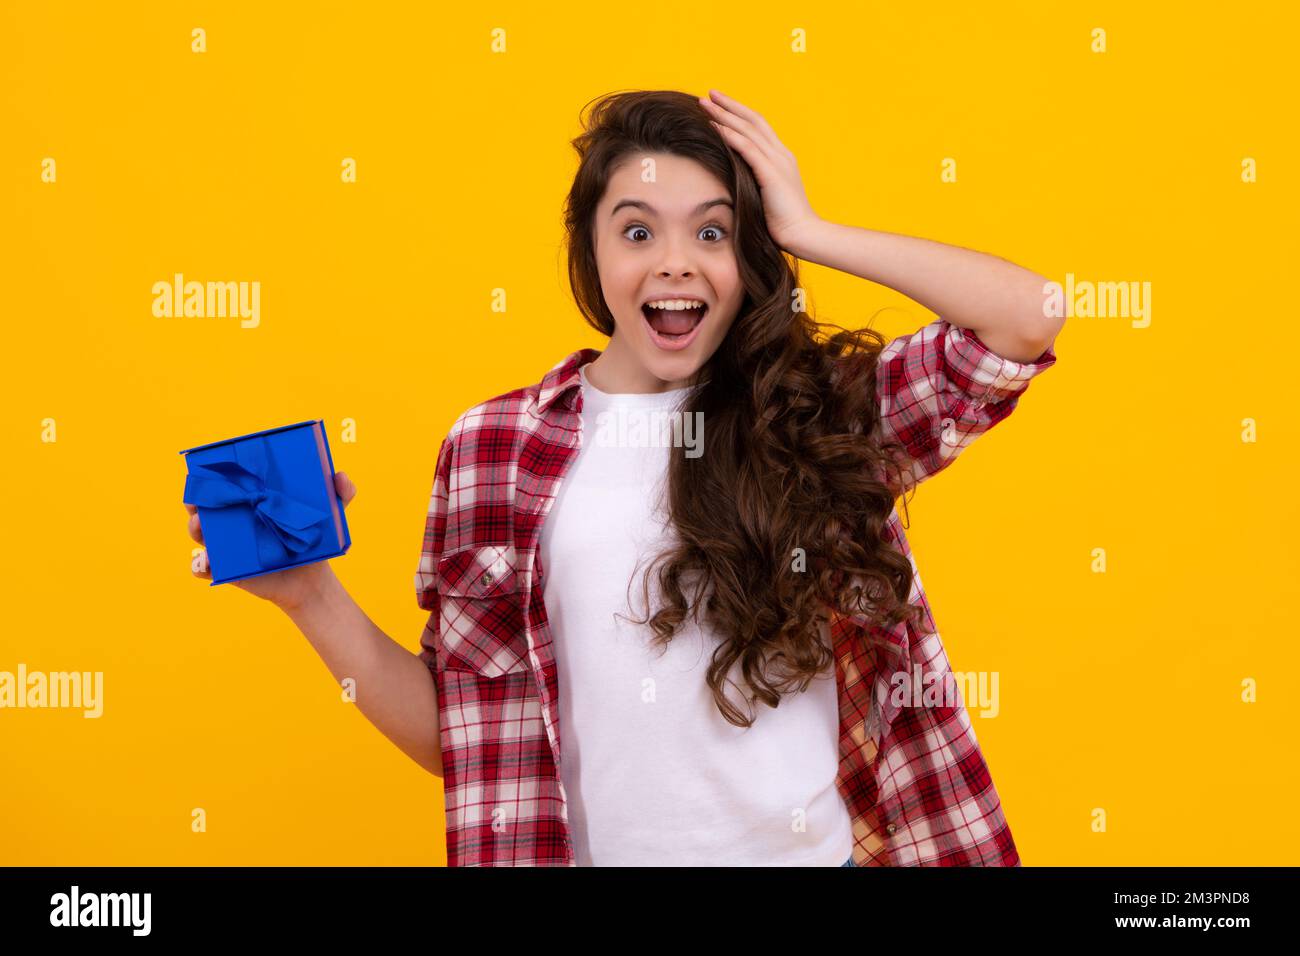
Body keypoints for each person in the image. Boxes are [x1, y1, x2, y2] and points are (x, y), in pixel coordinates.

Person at [185, 88, 1062, 867]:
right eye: (638, 230)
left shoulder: (819, 416)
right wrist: (309, 597)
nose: (675, 262)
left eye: (712, 232)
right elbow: (464, 739)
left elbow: (1029, 318)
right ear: (591, 251)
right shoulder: (491, 448)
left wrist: (810, 231)